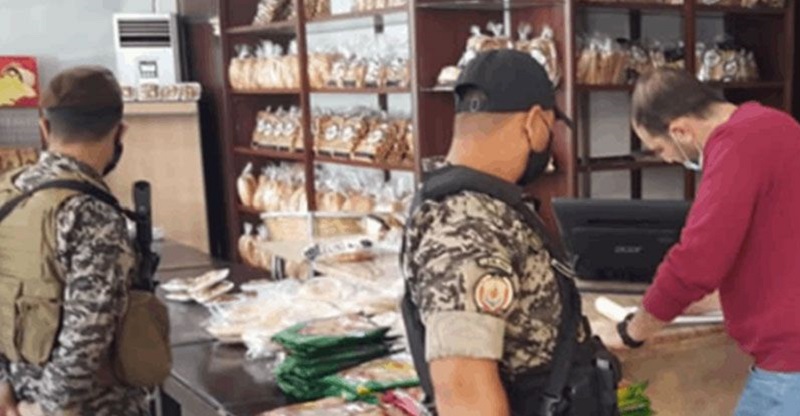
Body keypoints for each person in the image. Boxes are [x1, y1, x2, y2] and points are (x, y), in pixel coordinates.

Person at [401, 50, 613, 416]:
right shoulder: (466, 226)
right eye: (550, 127)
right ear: (533, 122)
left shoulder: (483, 209)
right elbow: (464, 394)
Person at [598, 68, 800, 416]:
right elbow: (778, 251)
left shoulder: (734, 146)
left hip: (788, 361)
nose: (667, 159)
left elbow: (694, 263)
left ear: (680, 130)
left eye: (659, 148)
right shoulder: (779, 125)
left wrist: (632, 333)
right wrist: (693, 304)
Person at [0, 67, 149, 415]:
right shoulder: (91, 212)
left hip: (16, 398)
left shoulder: (9, 193)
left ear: (44, 127)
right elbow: (88, 330)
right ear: (120, 131)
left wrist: (3, 387)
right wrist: (45, 408)